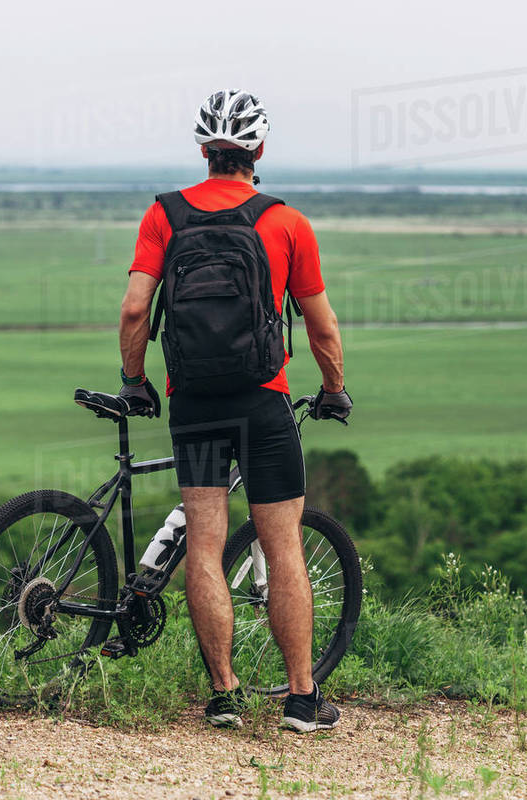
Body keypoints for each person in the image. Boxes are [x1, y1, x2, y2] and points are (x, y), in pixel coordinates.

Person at [113, 89, 352, 732]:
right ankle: (303, 698)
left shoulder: (164, 215)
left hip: (193, 400)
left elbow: (136, 309)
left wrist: (136, 380)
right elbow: (323, 328)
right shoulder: (286, 222)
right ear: (259, 151)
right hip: (264, 400)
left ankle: (224, 694)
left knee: (205, 546)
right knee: (284, 550)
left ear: (203, 151)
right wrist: (333, 388)